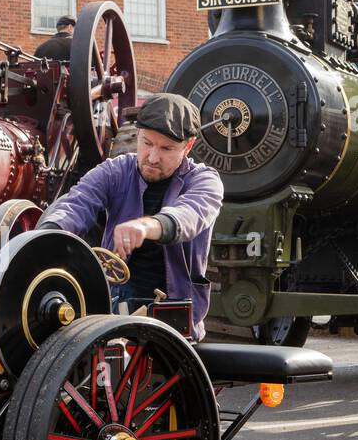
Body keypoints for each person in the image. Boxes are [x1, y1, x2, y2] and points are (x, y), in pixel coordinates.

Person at [36, 93, 223, 340]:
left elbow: (188, 216)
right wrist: (46, 235)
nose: (153, 157)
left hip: (175, 321)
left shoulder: (205, 181)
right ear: (138, 135)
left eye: (167, 148)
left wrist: (147, 226)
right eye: (147, 143)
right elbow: (76, 203)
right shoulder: (114, 171)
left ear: (188, 146)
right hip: (112, 311)